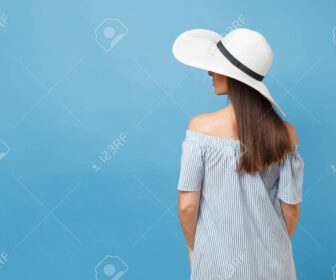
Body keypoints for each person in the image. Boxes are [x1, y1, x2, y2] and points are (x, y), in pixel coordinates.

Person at [173, 28, 304, 280]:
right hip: (274, 266)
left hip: (215, 266)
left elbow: (187, 205)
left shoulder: (200, 128)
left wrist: (194, 247)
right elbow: (291, 210)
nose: (210, 72)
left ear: (234, 76)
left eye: (216, 67)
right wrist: (267, 247)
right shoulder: (287, 135)